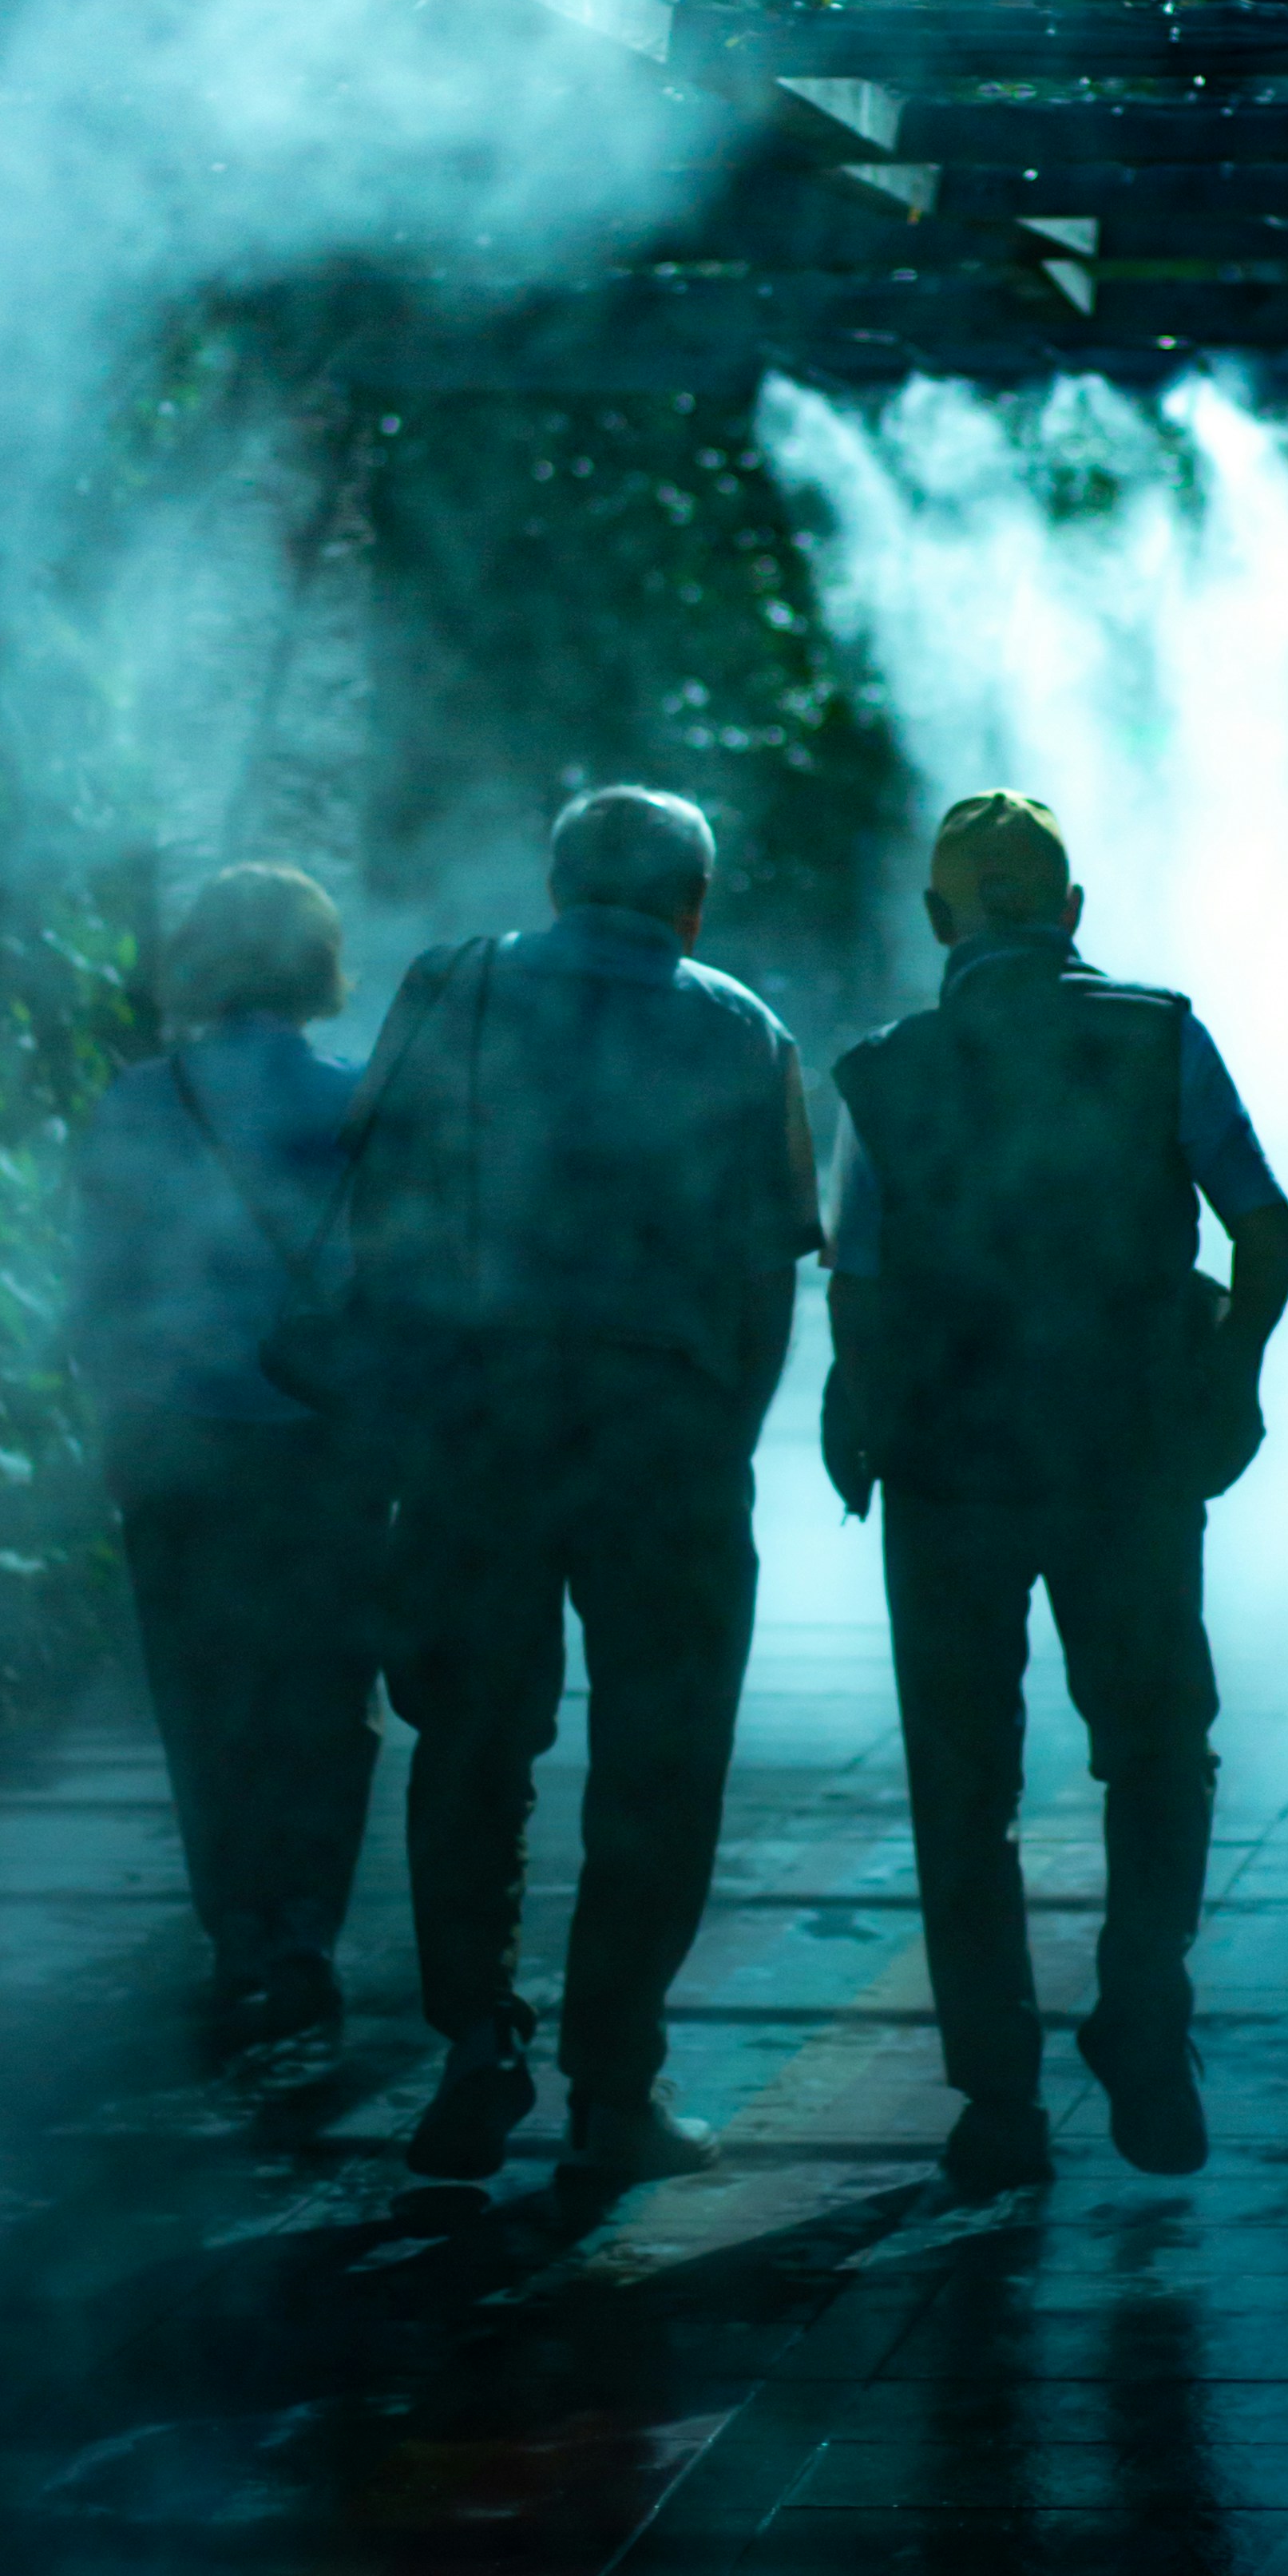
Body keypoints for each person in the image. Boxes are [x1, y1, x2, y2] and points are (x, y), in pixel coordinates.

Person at [824, 790, 1288, 2194]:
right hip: (1130, 1460)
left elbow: (854, 1283)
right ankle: (1142, 2002)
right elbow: (1263, 1221)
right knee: (1159, 1747)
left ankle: (996, 2100)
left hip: (954, 1475)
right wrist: (1234, 1374)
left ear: (938, 919)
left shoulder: (885, 1072)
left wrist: (870, 1411)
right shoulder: (1159, 1034)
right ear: (1073, 911)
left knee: (960, 1784)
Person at [348, 786, 818, 2182]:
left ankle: (477, 2046)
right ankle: (617, 2091)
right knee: (660, 1760)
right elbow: (773, 1264)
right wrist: (719, 1432)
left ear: (556, 882)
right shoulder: (743, 1031)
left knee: (473, 1741)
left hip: (478, 1420)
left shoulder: (456, 986)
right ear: (694, 900)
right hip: (662, 1427)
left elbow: (377, 1201)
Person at [72, 861, 382, 2047]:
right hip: (322, 1437)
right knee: (326, 1691)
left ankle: (236, 1930)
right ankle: (306, 1929)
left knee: (202, 1690)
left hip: (173, 1431)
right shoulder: (358, 1102)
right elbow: (391, 1279)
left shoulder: (138, 1102)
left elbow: (101, 1285)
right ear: (320, 968)